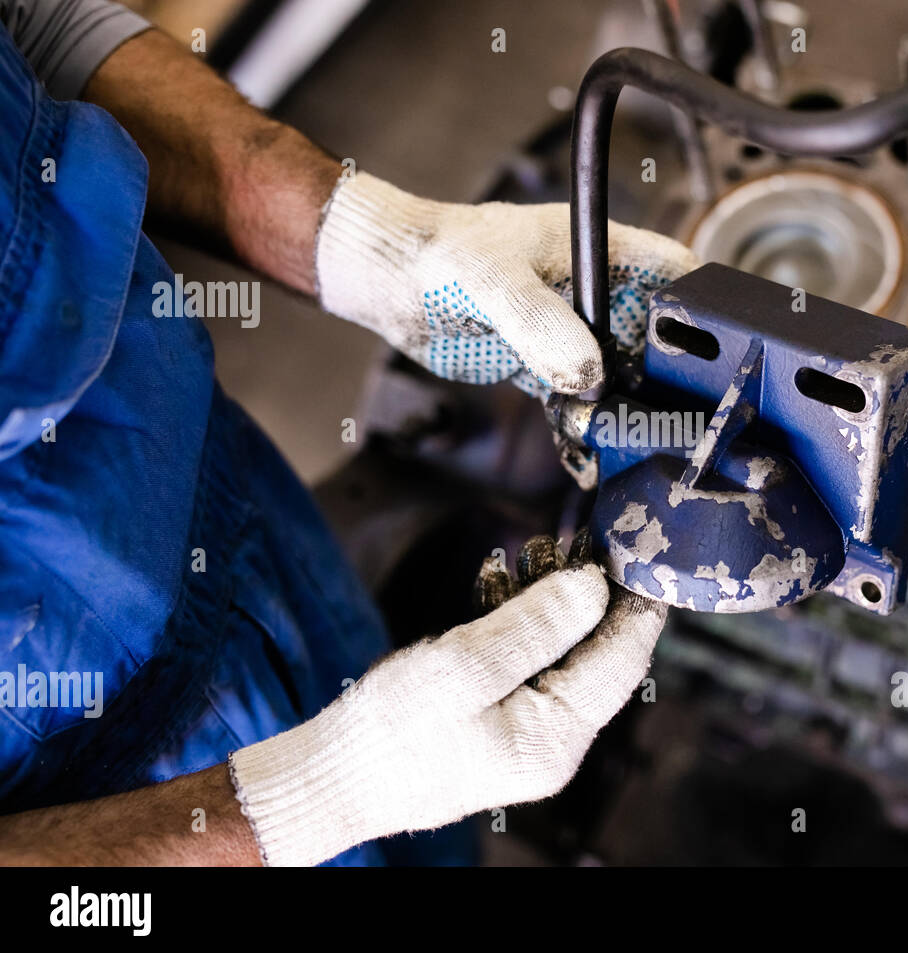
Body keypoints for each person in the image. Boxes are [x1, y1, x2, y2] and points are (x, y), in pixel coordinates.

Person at [0, 0, 696, 866]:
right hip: (105, 827)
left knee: (442, 821)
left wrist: (368, 241)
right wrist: (306, 802)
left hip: (235, 517)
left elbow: (30, 26)